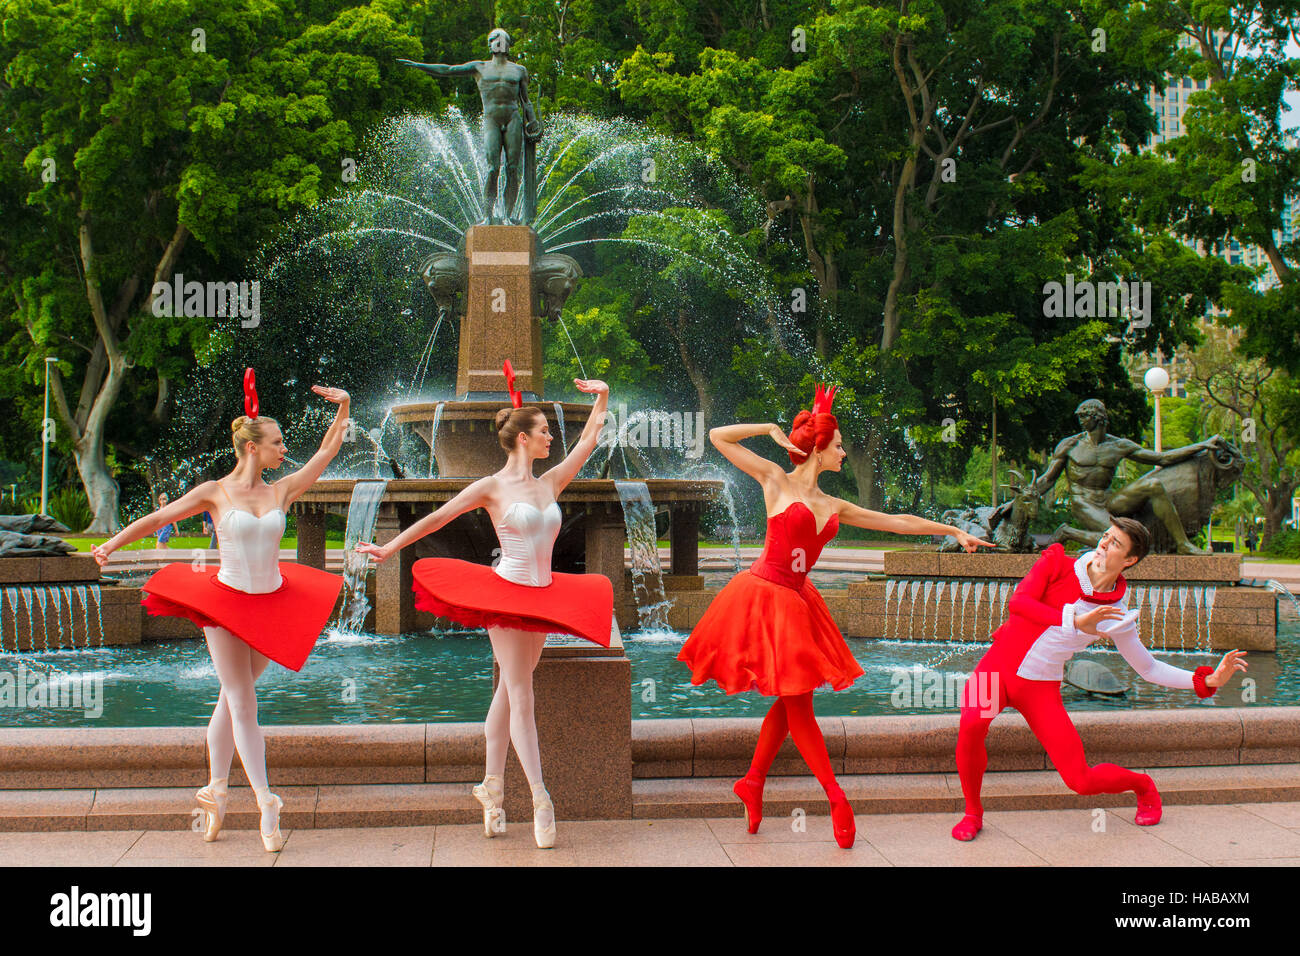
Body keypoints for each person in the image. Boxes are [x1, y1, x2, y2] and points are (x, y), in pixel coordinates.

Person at [676, 384, 993, 849]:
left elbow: (898, 521)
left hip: (799, 600)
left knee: (791, 699)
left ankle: (752, 782)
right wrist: (769, 429)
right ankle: (835, 797)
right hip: (765, 595)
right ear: (820, 448)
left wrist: (951, 530)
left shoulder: (834, 505)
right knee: (798, 701)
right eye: (840, 445)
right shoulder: (774, 480)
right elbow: (720, 437)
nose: (844, 452)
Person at [355, 360, 613, 849]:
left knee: (510, 693)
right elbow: (437, 519)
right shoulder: (491, 487)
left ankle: (491, 791)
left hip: (543, 596)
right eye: (543, 432)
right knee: (521, 693)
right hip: (505, 591)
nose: (551, 439)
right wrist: (388, 548)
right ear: (523, 439)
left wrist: (602, 396)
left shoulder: (549, 482)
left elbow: (589, 441)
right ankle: (540, 797)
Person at [92, 368, 348, 852]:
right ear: (252, 448)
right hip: (226, 605)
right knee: (242, 701)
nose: (283, 449)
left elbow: (326, 452)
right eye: (276, 443)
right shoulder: (214, 492)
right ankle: (266, 802)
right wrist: (112, 542)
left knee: (232, 701)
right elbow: (160, 518)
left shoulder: (281, 489)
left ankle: (214, 792)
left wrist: (345, 406)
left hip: (272, 603)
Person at [951, 516, 1248, 841]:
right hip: (997, 669)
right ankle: (973, 813)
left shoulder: (1116, 615)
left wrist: (1206, 681)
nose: (1104, 544)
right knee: (971, 725)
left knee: (1081, 781)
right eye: (1106, 536)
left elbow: (1147, 668)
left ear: (1130, 560)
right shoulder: (1057, 563)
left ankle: (1142, 785)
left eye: (1115, 543)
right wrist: (1076, 621)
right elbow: (1019, 603)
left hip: (1039, 688)